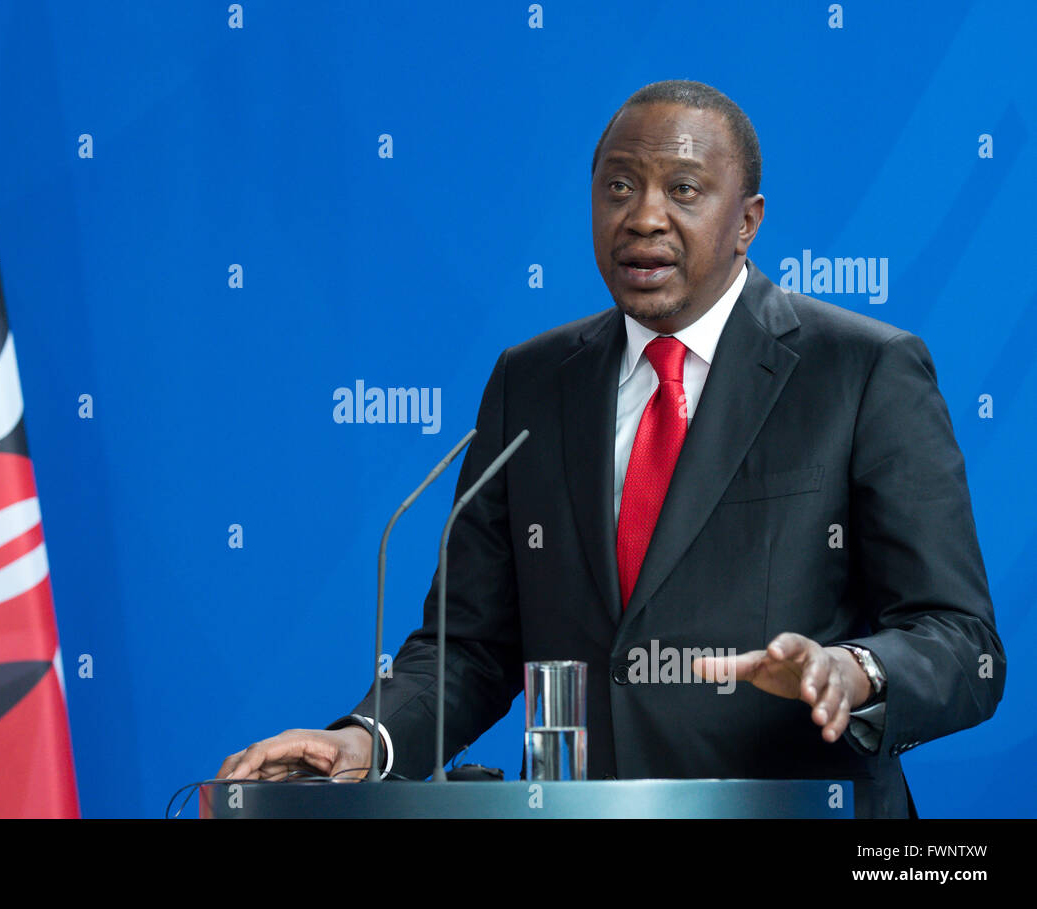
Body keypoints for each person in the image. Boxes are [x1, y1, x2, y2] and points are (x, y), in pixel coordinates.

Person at [216, 80, 1005, 817]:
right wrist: (366, 740)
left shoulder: (862, 369)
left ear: (748, 220)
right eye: (619, 187)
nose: (644, 217)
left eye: (684, 190)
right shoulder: (530, 381)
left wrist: (855, 671)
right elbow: (471, 645)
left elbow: (963, 643)